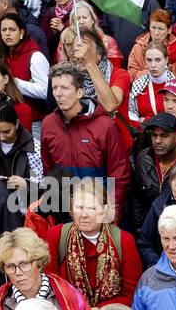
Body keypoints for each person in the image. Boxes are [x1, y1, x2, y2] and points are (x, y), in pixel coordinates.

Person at [40, 65, 132, 218]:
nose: (58, 93)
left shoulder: (104, 125)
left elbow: (120, 174)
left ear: (79, 93)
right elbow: (48, 170)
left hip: (98, 209)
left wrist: (111, 211)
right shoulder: (48, 124)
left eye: (64, 88)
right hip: (63, 211)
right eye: (55, 88)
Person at [45, 179, 143, 309]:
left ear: (104, 210)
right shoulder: (56, 235)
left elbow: (131, 295)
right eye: (79, 207)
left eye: (92, 208)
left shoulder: (124, 241)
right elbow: (51, 286)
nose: (84, 215)